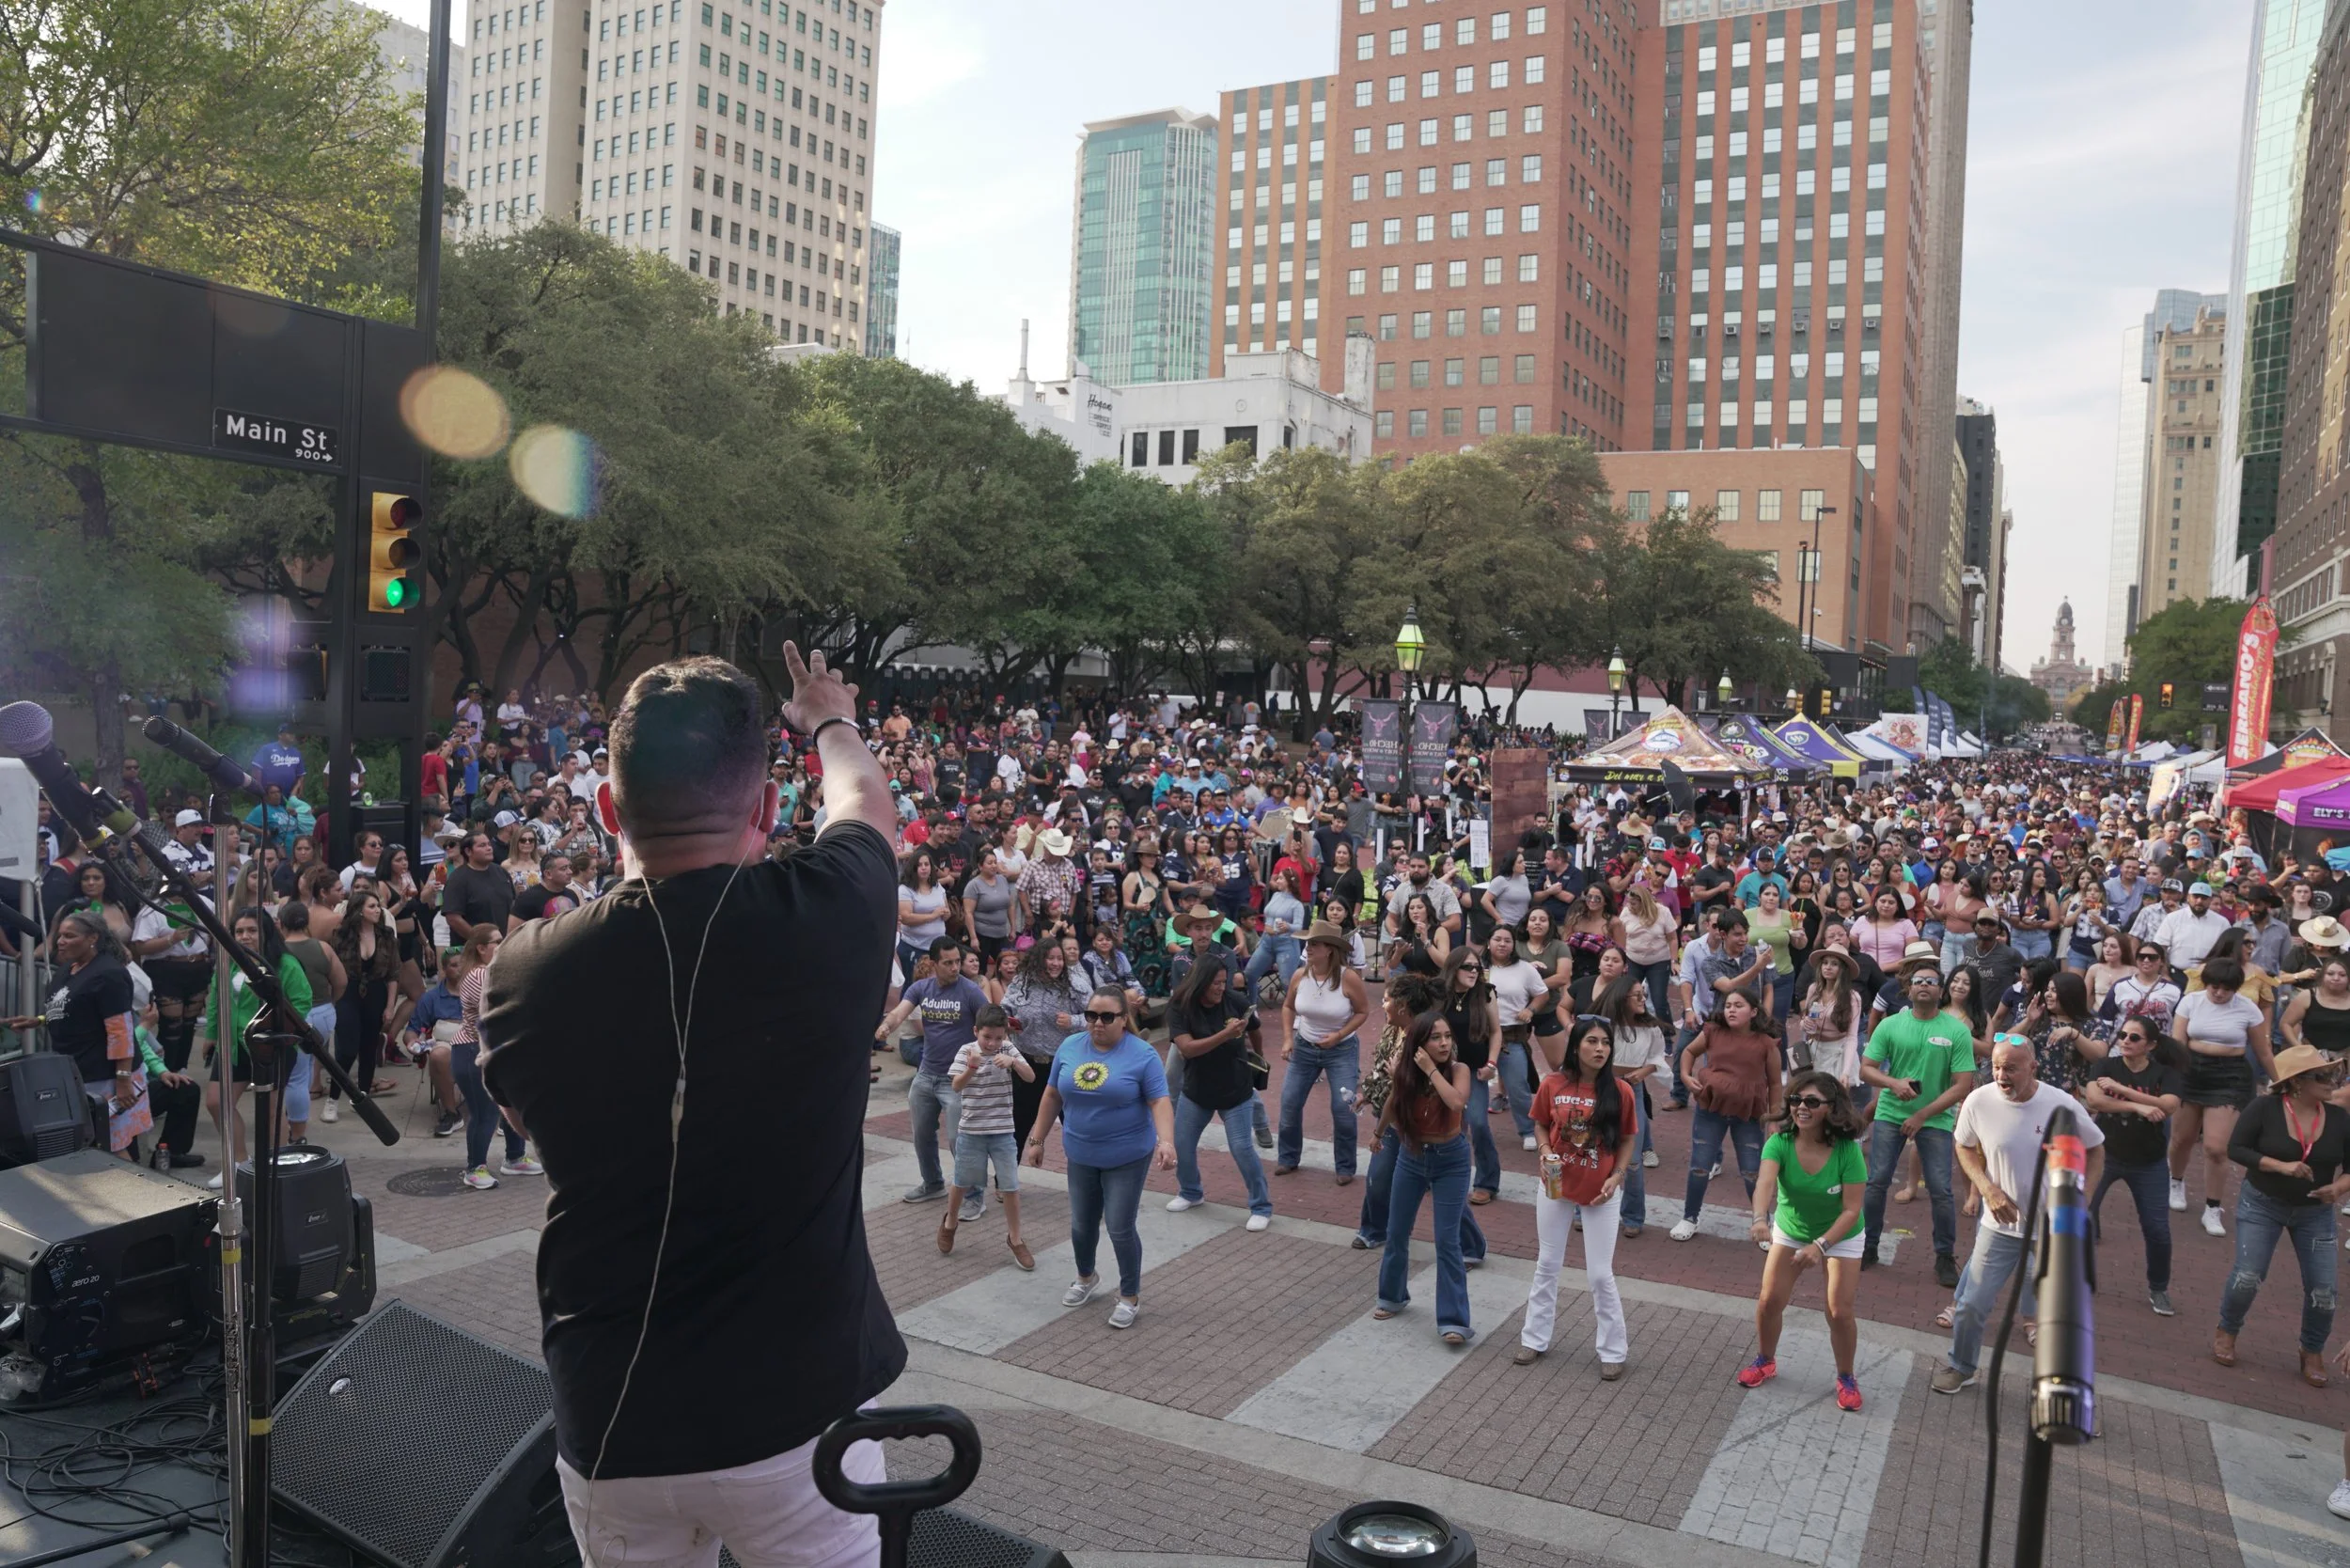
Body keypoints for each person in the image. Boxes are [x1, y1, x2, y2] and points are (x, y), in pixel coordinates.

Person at [480, 648, 905, 1566]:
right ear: (760, 811)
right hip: (801, 1424)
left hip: (613, 1419)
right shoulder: (833, 914)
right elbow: (864, 803)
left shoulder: (520, 973)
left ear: (606, 809)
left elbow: (527, 1123)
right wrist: (828, 717)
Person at [1931, 1035, 2105, 1394]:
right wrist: (1985, 1187)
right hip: (1999, 1228)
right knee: (1971, 1305)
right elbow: (1963, 1145)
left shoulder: (2062, 1106)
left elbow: (2096, 1149)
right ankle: (1962, 1367)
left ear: (2033, 1067)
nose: (2000, 1075)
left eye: (2010, 1067)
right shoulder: (1979, 1101)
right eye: (1995, 1066)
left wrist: (2081, 1201)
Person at [1023, 988, 1175, 1330]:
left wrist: (1167, 1141)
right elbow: (1052, 1094)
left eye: (1107, 1017)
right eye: (1091, 1015)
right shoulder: (1070, 1046)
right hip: (1081, 1153)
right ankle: (1086, 1276)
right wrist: (1036, 1139)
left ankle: (1130, 1295)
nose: (1097, 1023)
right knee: (1081, 1224)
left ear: (1124, 1019)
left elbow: (1160, 1101)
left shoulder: (1143, 1054)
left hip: (1127, 1156)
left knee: (1120, 1227)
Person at [2214, 1044, 2348, 1388]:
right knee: (2248, 1275)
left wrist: (2339, 1189)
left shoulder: (2339, 1118)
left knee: (2324, 1291)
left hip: (2315, 1212)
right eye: (2324, 1076)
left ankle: (2312, 1349)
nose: (2334, 1081)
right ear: (2298, 1082)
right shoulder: (2265, 1107)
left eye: (2335, 1074)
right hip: (2262, 1203)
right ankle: (2227, 1330)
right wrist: (2280, 1166)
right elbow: (2236, 1149)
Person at [1737, 1070, 1869, 1412]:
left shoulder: (1847, 1151)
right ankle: (1765, 1360)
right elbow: (1764, 1184)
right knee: (1769, 1301)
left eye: (1812, 1101)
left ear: (1832, 1107)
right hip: (1793, 1229)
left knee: (1839, 1312)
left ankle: (1846, 1377)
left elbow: (1852, 1211)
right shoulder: (1779, 1143)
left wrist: (1821, 1246)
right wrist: (1759, 1219)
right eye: (1796, 1100)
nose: (1801, 1107)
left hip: (1841, 1236)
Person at [1515, 1016, 1638, 1375]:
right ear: (1576, 1046)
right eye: (1592, 1042)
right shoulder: (1553, 1084)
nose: (1600, 1049)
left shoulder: (1621, 1091)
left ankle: (1613, 1351)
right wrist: (1542, 1150)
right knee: (1547, 1264)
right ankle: (1533, 1339)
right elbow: (1539, 1122)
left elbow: (1629, 1139)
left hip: (1602, 1191)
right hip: (1555, 1184)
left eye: (1606, 1042)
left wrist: (1617, 1176)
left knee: (1600, 1275)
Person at [1858, 958, 1978, 1284]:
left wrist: (1923, 1115)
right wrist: (1893, 1083)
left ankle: (1944, 1257)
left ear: (1941, 991)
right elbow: (1866, 1068)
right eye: (1919, 981)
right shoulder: (1891, 1025)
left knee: (1941, 1190)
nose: (1924, 985)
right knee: (1877, 1182)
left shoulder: (1956, 1031)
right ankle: (1868, 1246)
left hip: (1935, 1120)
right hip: (1889, 1114)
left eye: (1931, 981)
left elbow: (1962, 1085)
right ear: (1908, 990)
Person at [4, 910, 148, 1157]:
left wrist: (123, 1081)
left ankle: (134, 1194)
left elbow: (120, 1031)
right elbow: (74, 1010)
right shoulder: (69, 968)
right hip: (77, 1072)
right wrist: (37, 1020)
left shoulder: (108, 975)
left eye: (69, 936)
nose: (60, 942)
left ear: (92, 938)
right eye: (59, 936)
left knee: (112, 1145)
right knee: (91, 1146)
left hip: (107, 1077)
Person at [1372, 1011, 1477, 1346]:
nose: (1445, 1043)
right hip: (1412, 1156)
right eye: (1436, 1037)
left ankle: (1454, 1321)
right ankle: (1391, 1296)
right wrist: (1378, 1133)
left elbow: (1457, 1103)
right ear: (1420, 1044)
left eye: (1448, 1036)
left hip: (1452, 1161)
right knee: (1396, 1230)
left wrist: (1431, 1070)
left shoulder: (1459, 1070)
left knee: (1447, 1241)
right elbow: (1393, 1101)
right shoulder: (1406, 1072)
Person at [195, 907, 312, 1185]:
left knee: (271, 1111)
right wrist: (212, 1033)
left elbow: (301, 1002)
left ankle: (277, 1168)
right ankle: (238, 1162)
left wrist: (273, 1030)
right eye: (239, 931)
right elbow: (216, 998)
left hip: (271, 1048)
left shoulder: (286, 964)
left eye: (251, 930)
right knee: (216, 1102)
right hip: (234, 1045)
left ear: (266, 932)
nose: (244, 937)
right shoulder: (229, 961)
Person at [872, 935, 989, 1216]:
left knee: (958, 1138)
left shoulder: (970, 991)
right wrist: (886, 1027)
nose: (954, 968)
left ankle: (974, 1196)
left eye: (957, 962)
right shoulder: (921, 988)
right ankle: (933, 1183)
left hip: (957, 1078)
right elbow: (900, 1013)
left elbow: (990, 1022)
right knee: (922, 1134)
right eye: (947, 963)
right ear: (933, 963)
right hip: (926, 1076)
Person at [2081, 1013, 2185, 1316]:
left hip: (2148, 1162)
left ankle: (2159, 1288)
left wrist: (2122, 1089)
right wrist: (2138, 1105)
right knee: (2082, 1215)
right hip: (2104, 1155)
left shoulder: (2165, 1074)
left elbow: (2168, 1106)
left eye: (2134, 1038)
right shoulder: (2105, 1066)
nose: (2125, 1041)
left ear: (2150, 1045)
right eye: (2123, 1035)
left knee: (2157, 1229)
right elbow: (2095, 1101)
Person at [2170, 954, 2276, 1238]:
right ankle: (2176, 1180)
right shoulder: (2191, 1001)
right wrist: (2170, 1077)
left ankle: (2212, 1208)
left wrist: (2280, 1081)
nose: (2218, 993)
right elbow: (2178, 1042)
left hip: (2229, 1076)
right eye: (2213, 987)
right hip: (2191, 1071)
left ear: (2235, 989)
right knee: (2183, 1138)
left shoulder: (2248, 1009)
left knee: (2216, 1147)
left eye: (2225, 989)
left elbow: (2263, 1050)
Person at [1164, 957, 1275, 1228]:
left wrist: (1258, 1058)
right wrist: (1225, 1035)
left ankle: (1261, 1207)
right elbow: (1187, 1049)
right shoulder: (1180, 1007)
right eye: (1215, 983)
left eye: (1224, 982)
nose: (1221, 988)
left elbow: (1255, 1029)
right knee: (1183, 1144)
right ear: (1201, 982)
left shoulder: (1235, 1000)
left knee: (1242, 1148)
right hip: (1197, 1089)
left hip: (1235, 1090)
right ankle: (1191, 1192)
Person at [1671, 986, 1781, 1241]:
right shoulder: (1712, 1031)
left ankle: (1762, 1222)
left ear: (1754, 1012)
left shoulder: (1766, 1043)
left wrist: (1775, 1120)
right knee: (1700, 1165)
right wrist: (1686, 1077)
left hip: (1748, 1114)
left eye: (1738, 1006)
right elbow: (1688, 1051)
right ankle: (1690, 1217)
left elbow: (1775, 1084)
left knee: (1752, 1170)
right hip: (1710, 1108)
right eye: (1728, 1005)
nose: (1731, 1010)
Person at [937, 1005, 1036, 1269]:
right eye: (987, 1037)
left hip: (1003, 1131)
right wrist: (971, 1067)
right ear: (976, 1032)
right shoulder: (966, 1051)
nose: (993, 1043)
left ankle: (1015, 1238)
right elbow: (956, 1086)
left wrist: (1014, 1062)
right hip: (971, 1132)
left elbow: (1031, 1076)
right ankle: (950, 1222)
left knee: (1011, 1187)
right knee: (961, 1183)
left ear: (1006, 1035)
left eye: (999, 1038)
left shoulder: (1008, 1049)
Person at [1274, 921, 1372, 1184]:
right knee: (1290, 1103)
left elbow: (1363, 1011)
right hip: (1305, 1047)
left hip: (1341, 1048)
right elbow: (1287, 1007)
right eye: (1308, 942)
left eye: (1314, 943)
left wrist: (1339, 1035)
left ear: (1329, 950)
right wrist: (1287, 1039)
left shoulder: (1348, 977)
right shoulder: (1300, 975)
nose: (1309, 947)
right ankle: (1287, 1158)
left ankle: (1345, 1166)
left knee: (1343, 1109)